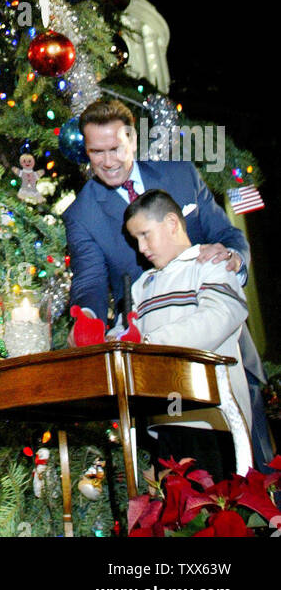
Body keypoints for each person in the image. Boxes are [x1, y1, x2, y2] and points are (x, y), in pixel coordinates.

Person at [62, 97, 273, 469]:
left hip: (224, 354)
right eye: (97, 152)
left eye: (115, 149)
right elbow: (91, 278)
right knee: (183, 478)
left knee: (253, 472)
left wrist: (234, 259)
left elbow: (225, 232)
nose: (108, 161)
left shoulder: (179, 174)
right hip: (159, 374)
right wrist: (89, 318)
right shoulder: (83, 213)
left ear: (133, 141)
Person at [114, 189, 251, 478]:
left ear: (173, 223)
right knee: (175, 516)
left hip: (210, 418)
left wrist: (150, 344)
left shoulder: (212, 265)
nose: (141, 248)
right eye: (135, 239)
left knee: (216, 508)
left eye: (145, 235)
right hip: (164, 419)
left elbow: (219, 317)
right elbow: (126, 333)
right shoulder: (142, 285)